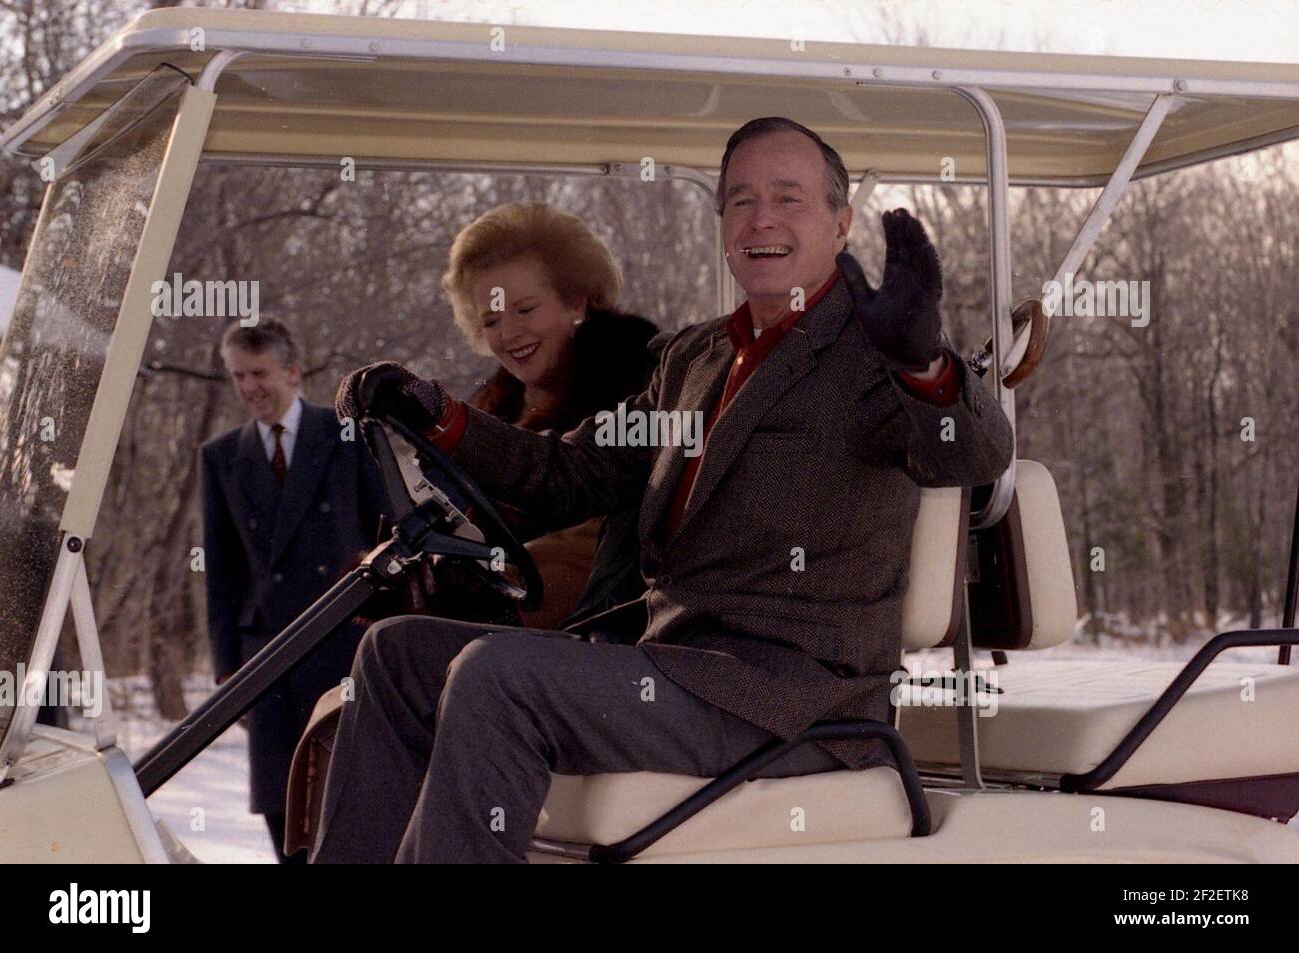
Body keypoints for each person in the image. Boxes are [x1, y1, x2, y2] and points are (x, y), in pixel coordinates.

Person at [312, 116, 1014, 864]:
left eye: (788, 198)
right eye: (741, 201)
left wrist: (926, 366)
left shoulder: (877, 357)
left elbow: (973, 451)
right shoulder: (696, 357)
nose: (762, 218)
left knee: (500, 677)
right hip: (674, 667)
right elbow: (571, 473)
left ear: (841, 223)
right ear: (723, 227)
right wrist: (442, 416)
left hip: (790, 700)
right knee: (396, 652)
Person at [199, 319, 388, 863]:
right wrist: (226, 665)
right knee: (283, 800)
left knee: (350, 788)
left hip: (345, 637)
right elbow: (222, 570)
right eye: (239, 376)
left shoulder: (348, 434)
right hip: (267, 651)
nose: (250, 387)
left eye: (260, 373)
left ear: (292, 371)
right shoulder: (219, 457)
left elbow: (390, 531)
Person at [440, 201, 662, 628]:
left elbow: (602, 548)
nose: (508, 334)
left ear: (576, 303)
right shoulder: (492, 415)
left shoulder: (636, 394)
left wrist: (471, 584)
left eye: (525, 310)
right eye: (491, 321)